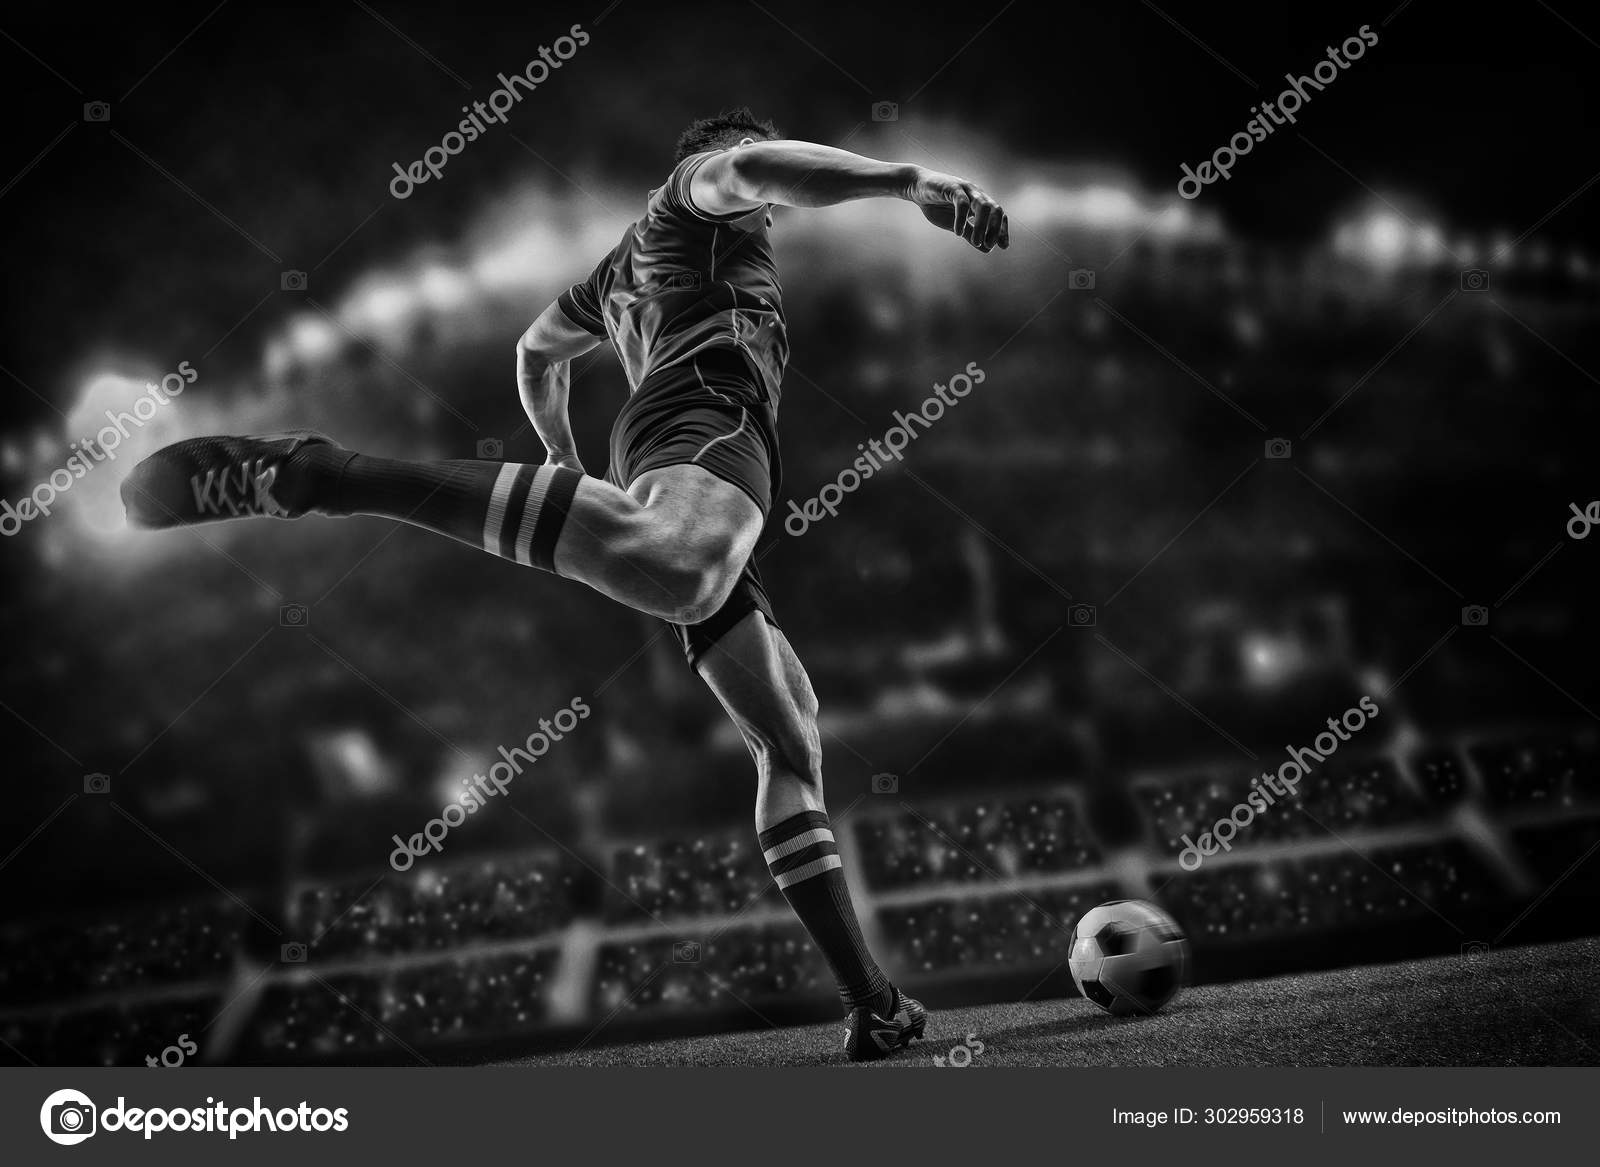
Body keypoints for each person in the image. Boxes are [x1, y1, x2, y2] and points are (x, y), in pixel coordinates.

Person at [121, 107, 1009, 1060]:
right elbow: (756, 165)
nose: (767, 208)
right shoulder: (702, 196)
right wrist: (907, 180)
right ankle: (326, 473)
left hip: (664, 447)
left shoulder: (614, 273)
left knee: (790, 735)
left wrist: (562, 459)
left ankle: (874, 1003)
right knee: (684, 572)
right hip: (709, 416)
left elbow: (534, 352)